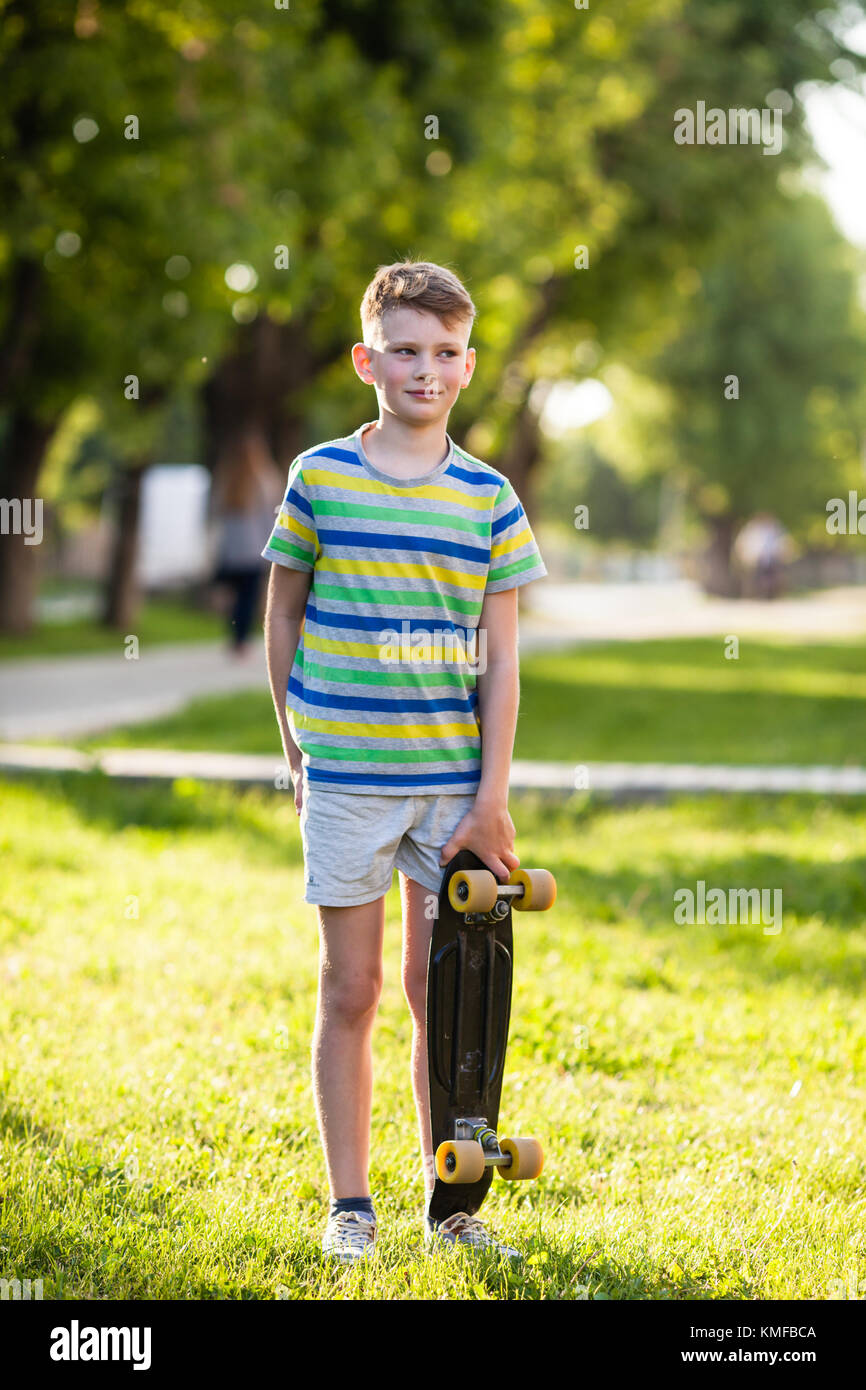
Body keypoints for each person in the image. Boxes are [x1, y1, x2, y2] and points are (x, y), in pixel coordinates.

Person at [260, 261, 548, 1263]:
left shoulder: (487, 496)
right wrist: (293, 741)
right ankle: (350, 1205)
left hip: (449, 792)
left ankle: (452, 1208)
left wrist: (490, 797)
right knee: (350, 991)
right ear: (365, 358)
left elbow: (503, 657)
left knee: (446, 1003)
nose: (424, 369)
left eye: (443, 352)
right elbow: (283, 610)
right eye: (404, 349)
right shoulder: (320, 478)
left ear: (466, 366)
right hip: (345, 778)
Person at [210, 432, 283, 658]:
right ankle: (241, 640)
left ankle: (234, 637)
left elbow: (217, 515)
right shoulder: (263, 481)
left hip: (230, 551)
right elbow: (269, 518)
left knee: (234, 598)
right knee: (247, 599)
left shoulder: (228, 481)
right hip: (252, 551)